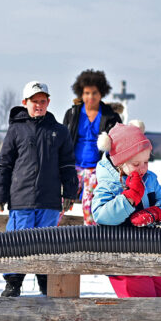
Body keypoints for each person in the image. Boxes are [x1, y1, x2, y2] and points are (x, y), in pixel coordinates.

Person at [91, 121, 161, 321]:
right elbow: (101, 214)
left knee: (158, 301)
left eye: (146, 162)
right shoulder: (109, 183)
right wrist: (128, 198)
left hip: (147, 252)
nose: (142, 168)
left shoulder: (148, 179)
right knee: (142, 302)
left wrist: (156, 212)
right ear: (119, 162)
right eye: (136, 163)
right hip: (122, 255)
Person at [0, 81, 77, 298]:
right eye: (34, 101)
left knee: (46, 243)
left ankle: (45, 280)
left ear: (48, 102)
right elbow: (4, 164)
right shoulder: (16, 130)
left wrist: (69, 192)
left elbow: (67, 165)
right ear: (25, 103)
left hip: (49, 200)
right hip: (21, 199)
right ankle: (13, 281)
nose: (39, 105)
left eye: (42, 101)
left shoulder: (59, 131)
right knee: (15, 241)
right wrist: (0, 193)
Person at [62, 69, 122, 225]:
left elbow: (119, 144)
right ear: (81, 94)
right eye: (87, 93)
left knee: (90, 208)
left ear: (101, 93)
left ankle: (91, 244)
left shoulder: (111, 116)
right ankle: (43, 239)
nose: (91, 97)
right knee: (58, 204)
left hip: (96, 170)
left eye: (94, 93)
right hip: (72, 167)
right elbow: (62, 141)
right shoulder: (72, 114)